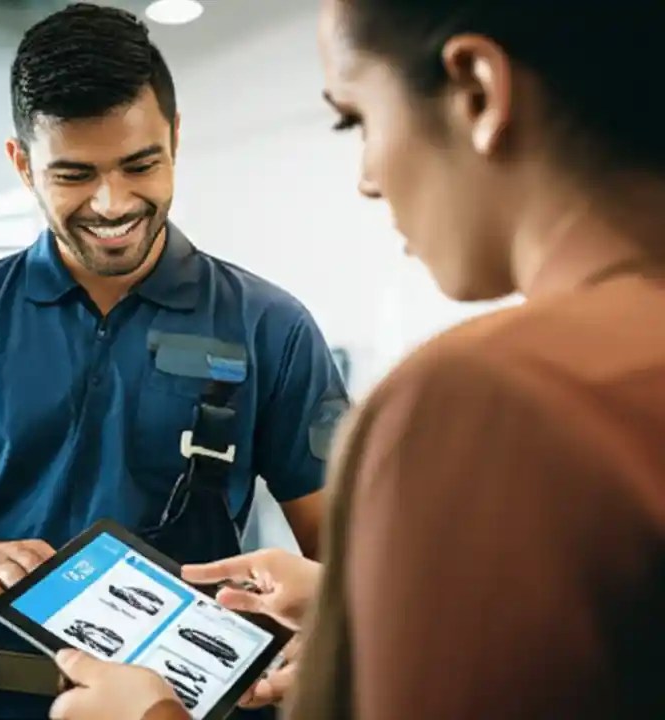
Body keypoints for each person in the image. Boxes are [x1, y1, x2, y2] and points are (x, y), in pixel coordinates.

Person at [49, 0, 665, 718]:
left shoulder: (483, 397)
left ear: (477, 92)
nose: (368, 178)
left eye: (357, 119)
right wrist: (364, 606)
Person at [0, 4, 349, 719]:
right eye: (75, 174)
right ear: (22, 165)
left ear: (175, 139)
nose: (113, 204)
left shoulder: (270, 326)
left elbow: (347, 562)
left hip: (196, 704)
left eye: (141, 164)